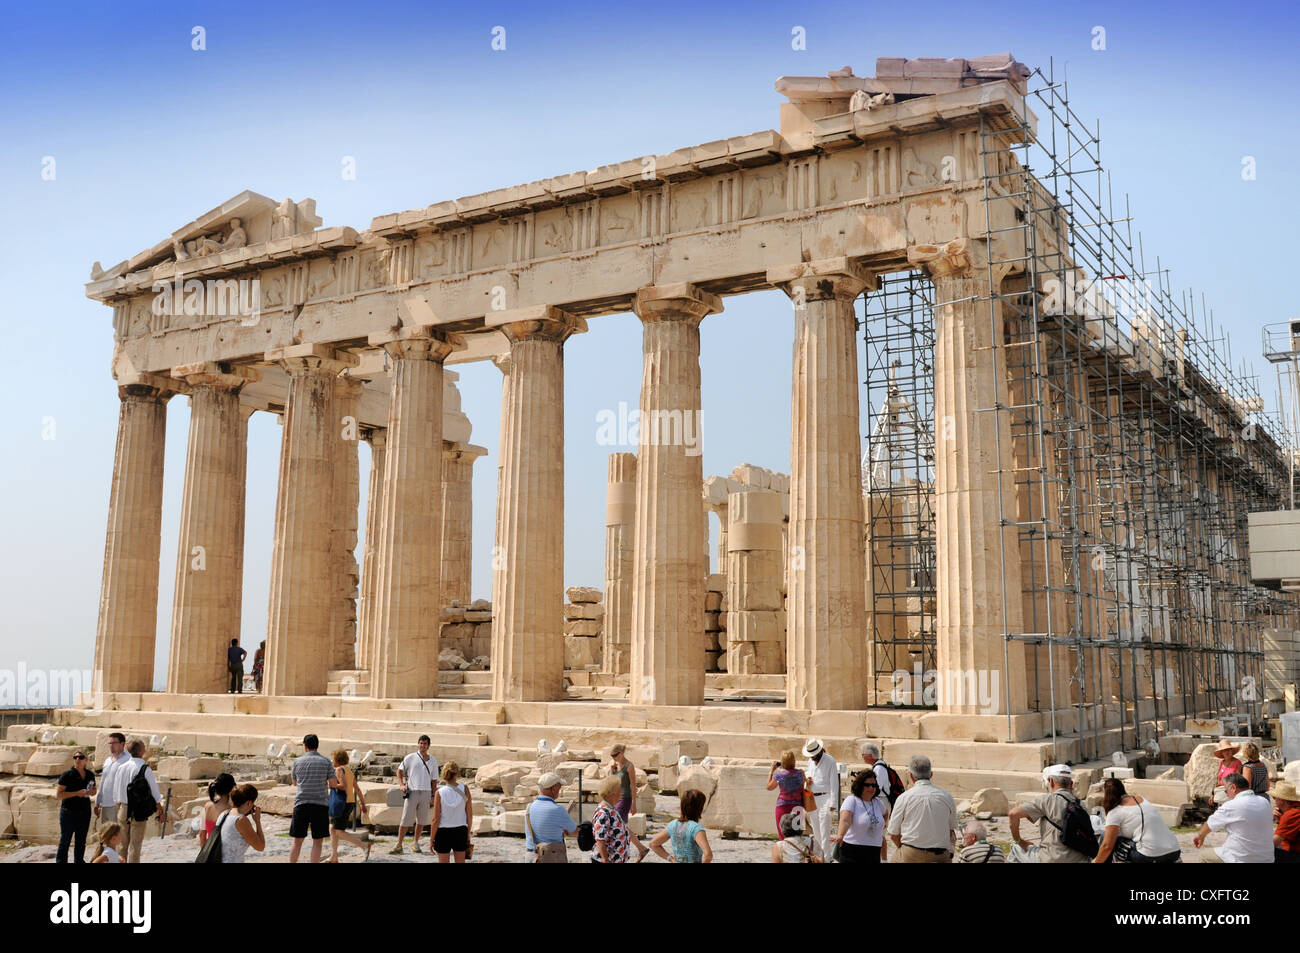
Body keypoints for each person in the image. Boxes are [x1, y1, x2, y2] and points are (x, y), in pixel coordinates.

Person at [1009, 764, 1092, 864]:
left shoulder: (1046, 800)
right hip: (1080, 860)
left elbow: (1013, 813)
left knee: (1015, 847)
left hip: (1051, 859)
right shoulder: (1082, 805)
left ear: (1051, 782)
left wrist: (1019, 840)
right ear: (1071, 784)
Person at [887, 754, 958, 863]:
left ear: (911, 776)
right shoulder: (946, 797)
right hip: (939, 855)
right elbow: (951, 831)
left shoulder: (904, 798)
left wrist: (903, 848)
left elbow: (893, 834)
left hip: (911, 852)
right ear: (931, 774)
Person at [1093, 778, 1181, 863]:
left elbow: (1106, 846)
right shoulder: (1142, 799)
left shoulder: (1115, 812)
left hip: (1149, 856)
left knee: (1106, 836)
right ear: (1122, 789)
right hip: (1174, 851)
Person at [1193, 772, 1275, 863]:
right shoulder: (1264, 802)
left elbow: (1209, 824)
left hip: (1241, 859)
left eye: (1226, 790)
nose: (1226, 794)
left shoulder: (1231, 805)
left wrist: (1201, 836)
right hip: (1267, 858)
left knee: (1203, 855)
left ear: (1233, 788)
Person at [116, 739, 165, 863]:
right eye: (144, 747)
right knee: (135, 845)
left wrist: (119, 809)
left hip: (123, 809)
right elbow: (154, 792)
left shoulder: (121, 768)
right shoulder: (144, 769)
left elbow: (117, 791)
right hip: (138, 811)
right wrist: (160, 809)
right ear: (140, 751)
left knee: (122, 845)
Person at [288, 733, 333, 863]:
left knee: (297, 841)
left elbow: (295, 783)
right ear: (317, 746)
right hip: (320, 804)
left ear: (305, 746)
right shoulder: (326, 761)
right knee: (318, 841)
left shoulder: (297, 761)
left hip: (301, 803)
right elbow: (332, 783)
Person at [392, 734, 437, 854]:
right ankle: (399, 843)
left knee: (422, 819)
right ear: (418, 744)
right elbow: (399, 771)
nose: (423, 745)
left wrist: (433, 795)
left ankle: (416, 842)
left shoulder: (433, 760)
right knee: (406, 818)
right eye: (421, 743)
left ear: (428, 746)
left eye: (425, 743)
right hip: (412, 791)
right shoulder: (410, 757)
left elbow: (434, 780)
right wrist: (401, 785)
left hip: (426, 792)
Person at [832, 769, 890, 863]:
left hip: (873, 852)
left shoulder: (878, 803)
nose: (871, 788)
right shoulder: (852, 800)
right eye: (867, 785)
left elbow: (885, 814)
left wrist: (880, 827)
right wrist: (840, 835)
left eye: (874, 785)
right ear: (860, 786)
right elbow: (845, 820)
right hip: (852, 851)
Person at [328, 750, 371, 862]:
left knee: (338, 830)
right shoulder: (349, 771)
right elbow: (357, 789)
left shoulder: (338, 770)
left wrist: (333, 785)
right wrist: (362, 804)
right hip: (350, 802)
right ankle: (334, 856)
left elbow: (342, 785)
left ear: (337, 759)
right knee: (332, 828)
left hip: (342, 802)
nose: (332, 761)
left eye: (333, 759)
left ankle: (363, 845)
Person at [525, 772, 578, 863]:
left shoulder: (530, 807)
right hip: (551, 856)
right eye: (559, 786)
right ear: (554, 788)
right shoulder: (558, 810)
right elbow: (574, 831)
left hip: (531, 856)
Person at [649, 788, 712, 863]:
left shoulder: (673, 824)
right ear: (699, 808)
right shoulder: (696, 829)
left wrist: (671, 859)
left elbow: (653, 844)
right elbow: (708, 855)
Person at [803, 738, 839, 861]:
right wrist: (807, 779)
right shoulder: (810, 761)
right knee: (816, 828)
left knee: (824, 829)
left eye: (813, 755)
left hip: (825, 797)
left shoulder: (830, 761)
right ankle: (822, 855)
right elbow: (809, 773)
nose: (812, 757)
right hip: (813, 797)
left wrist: (833, 802)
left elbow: (834, 782)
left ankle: (827, 858)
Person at [55, 751, 95, 863]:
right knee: (65, 840)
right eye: (75, 757)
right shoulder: (66, 775)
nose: (77, 759)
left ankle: (79, 861)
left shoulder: (90, 774)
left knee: (81, 840)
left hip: (84, 811)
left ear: (86, 760)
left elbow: (94, 789)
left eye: (81, 757)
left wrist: (92, 792)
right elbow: (59, 795)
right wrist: (76, 793)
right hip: (69, 812)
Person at [432, 761, 473, 863]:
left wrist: (431, 838)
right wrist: (468, 833)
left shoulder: (439, 793)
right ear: (457, 773)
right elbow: (469, 814)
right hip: (460, 829)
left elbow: (436, 819)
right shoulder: (465, 789)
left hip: (443, 831)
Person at [216, 784, 266, 863]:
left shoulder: (223, 814)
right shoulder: (241, 820)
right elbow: (260, 846)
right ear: (249, 803)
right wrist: (257, 821)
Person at [592, 774, 634, 863]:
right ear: (613, 794)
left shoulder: (611, 809)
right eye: (620, 790)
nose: (622, 793)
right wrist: (605, 859)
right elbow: (600, 839)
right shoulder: (603, 812)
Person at [766, 749, 806, 841]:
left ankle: (783, 853)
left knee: (783, 833)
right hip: (798, 805)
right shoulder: (800, 773)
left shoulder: (780, 775)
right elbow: (804, 784)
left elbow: (769, 787)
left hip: (783, 806)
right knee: (798, 833)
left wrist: (771, 771)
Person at [93, 732, 129, 827]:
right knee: (106, 834)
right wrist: (97, 802)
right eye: (110, 743)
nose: (111, 746)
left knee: (116, 834)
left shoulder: (128, 760)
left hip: (117, 804)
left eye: (114, 743)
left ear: (122, 744)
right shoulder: (108, 760)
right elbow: (103, 782)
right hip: (105, 803)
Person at [200, 773, 236, 848]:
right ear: (232, 788)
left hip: (210, 851)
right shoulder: (231, 810)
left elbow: (202, 835)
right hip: (224, 853)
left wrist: (204, 854)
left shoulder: (207, 806)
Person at [1270, 780, 1300, 863]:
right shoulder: (1296, 807)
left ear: (1281, 800)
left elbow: (1273, 843)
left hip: (1295, 854)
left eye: (1274, 798)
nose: (1274, 801)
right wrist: (1280, 819)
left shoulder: (1290, 815)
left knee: (1265, 852)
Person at [609, 744, 638, 822]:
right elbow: (612, 783)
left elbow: (633, 786)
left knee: (618, 821)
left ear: (621, 753)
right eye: (611, 756)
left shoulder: (629, 766)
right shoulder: (615, 765)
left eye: (615, 755)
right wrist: (612, 771)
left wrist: (634, 804)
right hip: (615, 798)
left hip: (625, 798)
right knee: (617, 823)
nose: (613, 758)